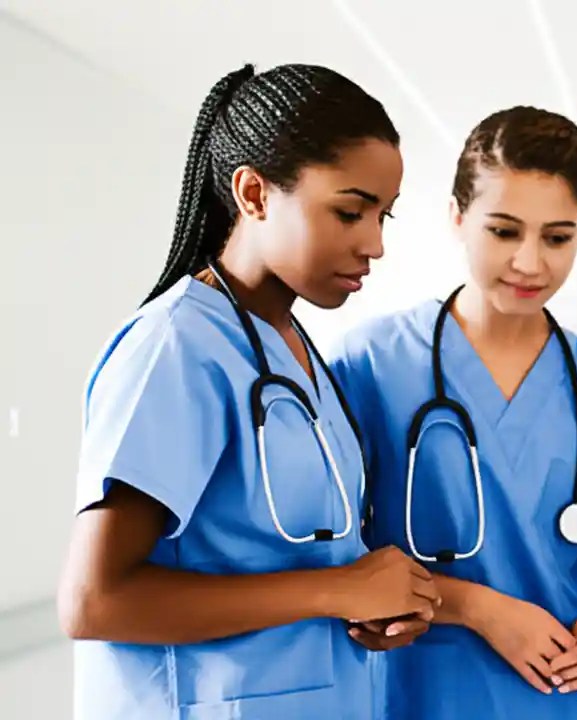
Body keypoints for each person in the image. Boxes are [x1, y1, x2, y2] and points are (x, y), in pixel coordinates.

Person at [56, 63, 439, 720]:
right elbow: (96, 601)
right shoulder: (177, 347)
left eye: (384, 216)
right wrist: (336, 590)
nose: (374, 244)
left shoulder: (290, 345)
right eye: (350, 211)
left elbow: (299, 556)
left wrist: (369, 602)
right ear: (255, 193)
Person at [329, 106, 577, 719]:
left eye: (557, 237)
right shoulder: (370, 364)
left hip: (575, 696)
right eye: (503, 231)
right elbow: (337, 560)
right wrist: (475, 606)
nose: (529, 262)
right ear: (457, 218)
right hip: (429, 690)